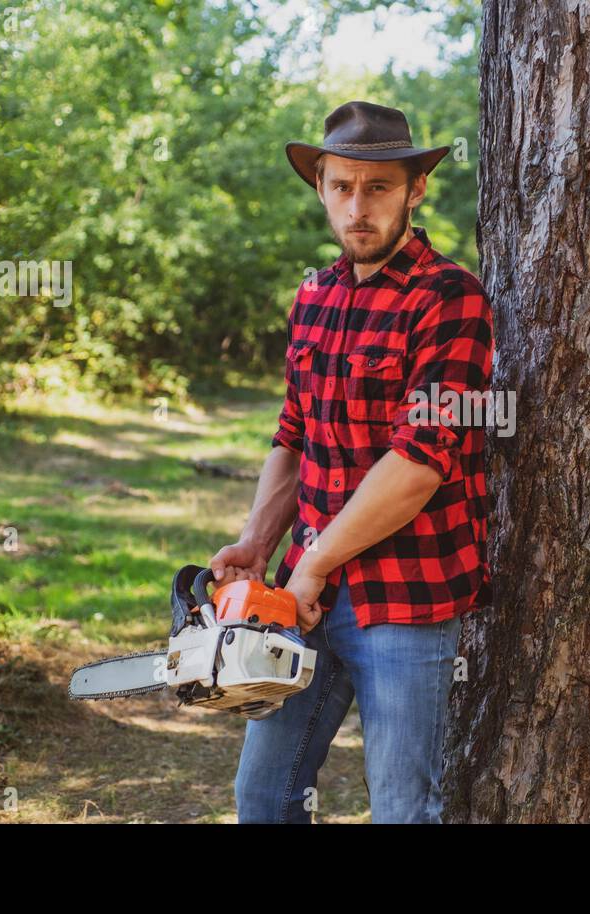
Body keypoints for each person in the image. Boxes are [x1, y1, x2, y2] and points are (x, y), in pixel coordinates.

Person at [209, 100, 493, 824]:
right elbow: (294, 437)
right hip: (304, 598)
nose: (357, 207)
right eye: (342, 187)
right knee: (263, 799)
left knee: (402, 810)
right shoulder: (315, 295)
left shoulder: (450, 299)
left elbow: (420, 463)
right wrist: (259, 542)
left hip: (407, 600)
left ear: (415, 189)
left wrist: (315, 562)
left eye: (378, 188)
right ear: (321, 188)